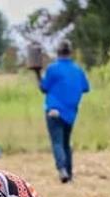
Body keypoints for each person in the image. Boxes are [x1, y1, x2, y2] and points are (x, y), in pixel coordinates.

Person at [37, 40, 90, 183]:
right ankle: (69, 173)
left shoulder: (52, 69)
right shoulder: (77, 69)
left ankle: (61, 169)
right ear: (70, 52)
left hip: (54, 110)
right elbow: (85, 87)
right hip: (71, 113)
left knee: (57, 142)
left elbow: (43, 88)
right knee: (66, 143)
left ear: (58, 52)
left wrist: (37, 73)